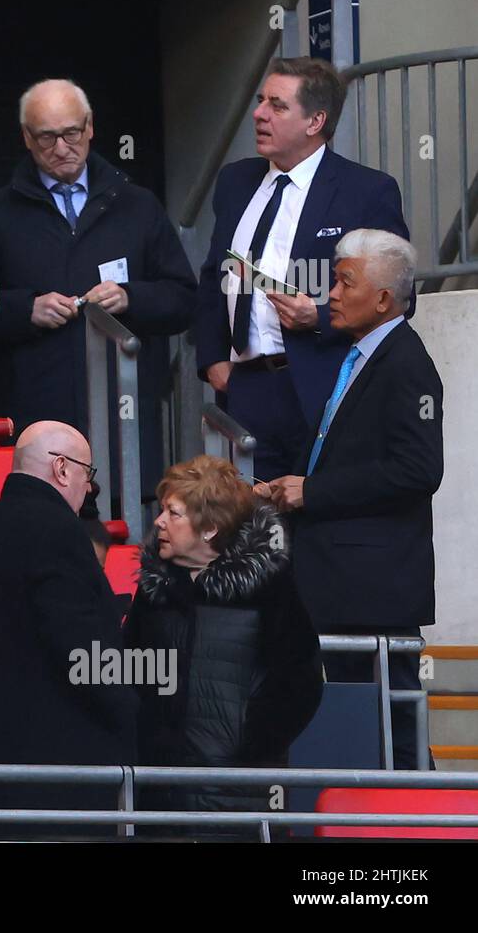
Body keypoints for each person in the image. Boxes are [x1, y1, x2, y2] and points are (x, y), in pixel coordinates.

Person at [256, 229, 442, 770]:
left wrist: (311, 491)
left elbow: (419, 469)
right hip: (340, 583)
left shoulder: (406, 363)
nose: (329, 295)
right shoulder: (357, 356)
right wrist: (288, 487)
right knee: (356, 729)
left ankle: (426, 833)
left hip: (373, 593)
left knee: (395, 731)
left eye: (343, 282)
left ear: (383, 299)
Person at [195, 57, 409, 482]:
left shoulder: (365, 191)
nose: (258, 114)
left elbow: (400, 298)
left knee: (316, 527)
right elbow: (213, 274)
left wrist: (320, 317)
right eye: (260, 101)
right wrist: (213, 359)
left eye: (277, 105)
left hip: (323, 385)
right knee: (250, 531)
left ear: (315, 121)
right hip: (248, 388)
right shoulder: (236, 181)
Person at [0, 79, 196, 492]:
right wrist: (27, 309)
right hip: (37, 414)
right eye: (46, 137)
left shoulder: (136, 204)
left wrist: (130, 297)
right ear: (26, 137)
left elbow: (184, 299)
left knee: (121, 543)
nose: (62, 148)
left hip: (121, 417)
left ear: (90, 127)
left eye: (71, 133)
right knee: (40, 535)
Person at [0, 420, 135, 834]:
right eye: (88, 475)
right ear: (63, 469)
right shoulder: (59, 531)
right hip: (59, 778)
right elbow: (83, 651)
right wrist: (130, 713)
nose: (89, 489)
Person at [126, 455, 323, 822]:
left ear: (210, 529)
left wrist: (250, 747)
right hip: (158, 792)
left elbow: (301, 682)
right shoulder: (154, 589)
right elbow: (131, 673)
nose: (158, 522)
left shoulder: (269, 587)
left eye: (174, 513)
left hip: (238, 794)